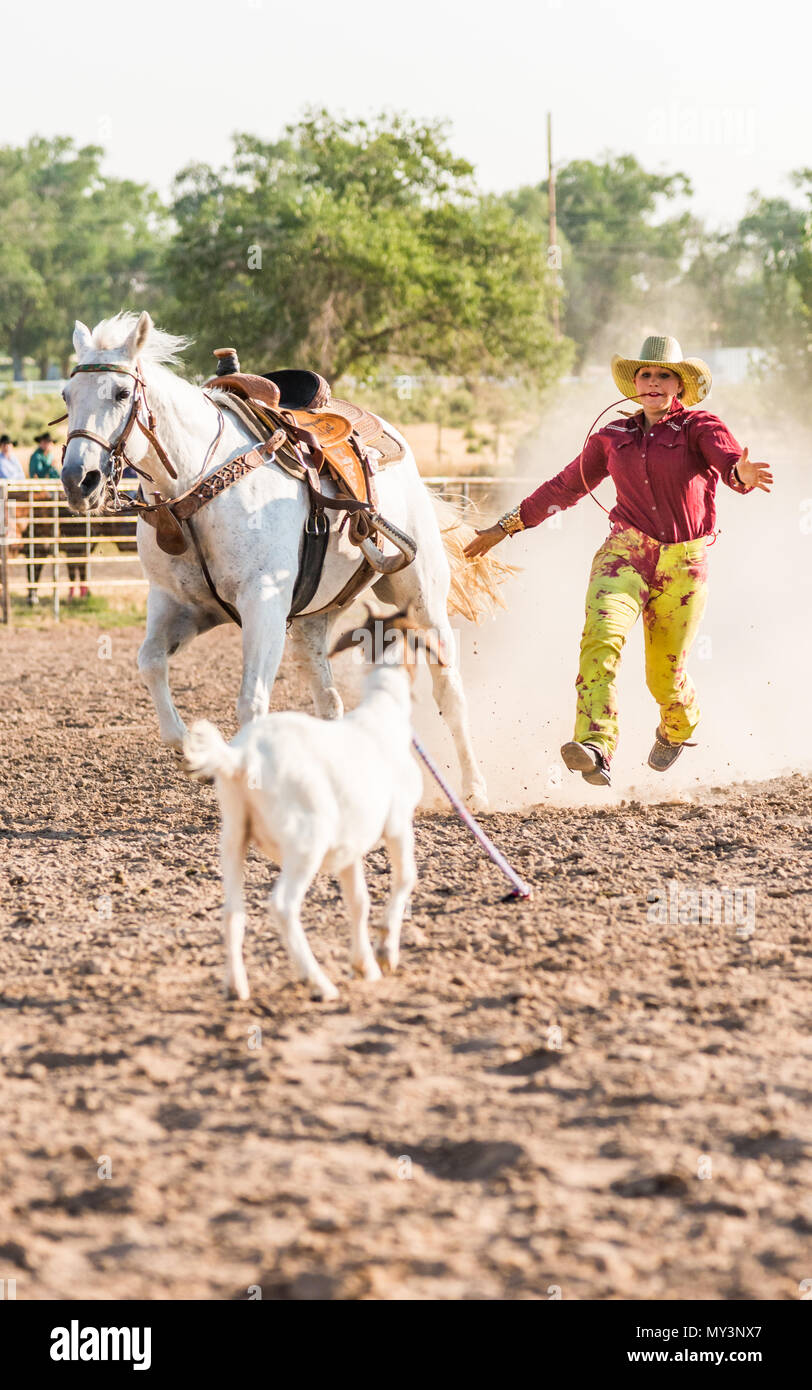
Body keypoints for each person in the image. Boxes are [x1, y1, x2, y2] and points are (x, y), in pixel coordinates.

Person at [464, 335, 773, 788]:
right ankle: (594, 745)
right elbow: (564, 487)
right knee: (600, 638)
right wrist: (505, 526)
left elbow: (729, 464)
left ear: (679, 385)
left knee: (664, 678)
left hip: (684, 567)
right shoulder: (612, 439)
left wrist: (739, 475)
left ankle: (679, 726)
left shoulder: (699, 426)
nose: (652, 381)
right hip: (624, 554)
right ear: (633, 384)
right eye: (645, 374)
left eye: (663, 374)